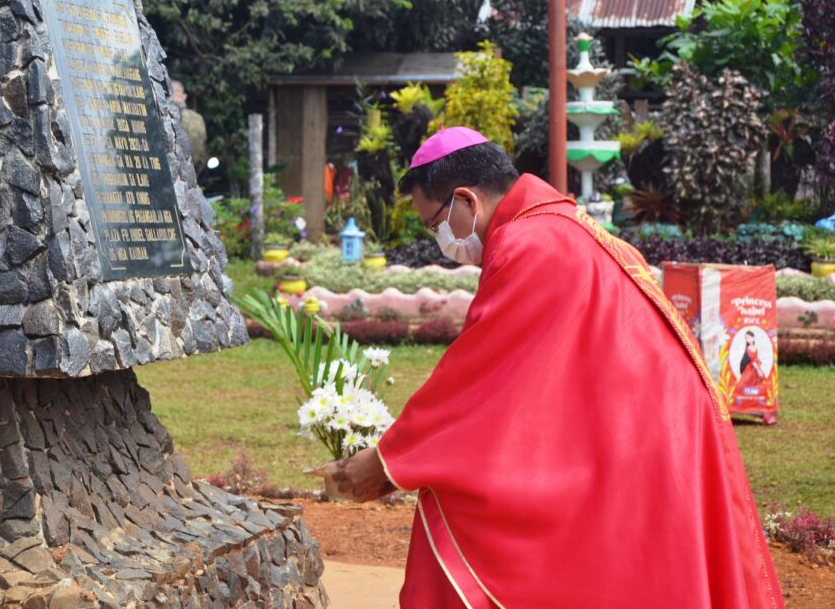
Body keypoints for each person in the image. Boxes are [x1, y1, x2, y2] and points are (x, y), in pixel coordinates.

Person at [332, 126, 784, 608]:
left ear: (465, 200)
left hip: (645, 437)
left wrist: (388, 459)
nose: (440, 239)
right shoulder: (559, 226)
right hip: (654, 429)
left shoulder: (529, 242)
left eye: (434, 224)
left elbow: (475, 376)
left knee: (453, 512)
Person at [170, 79, 208, 172]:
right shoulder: (198, 118)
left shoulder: (166, 116)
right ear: (184, 96)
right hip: (193, 168)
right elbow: (201, 146)